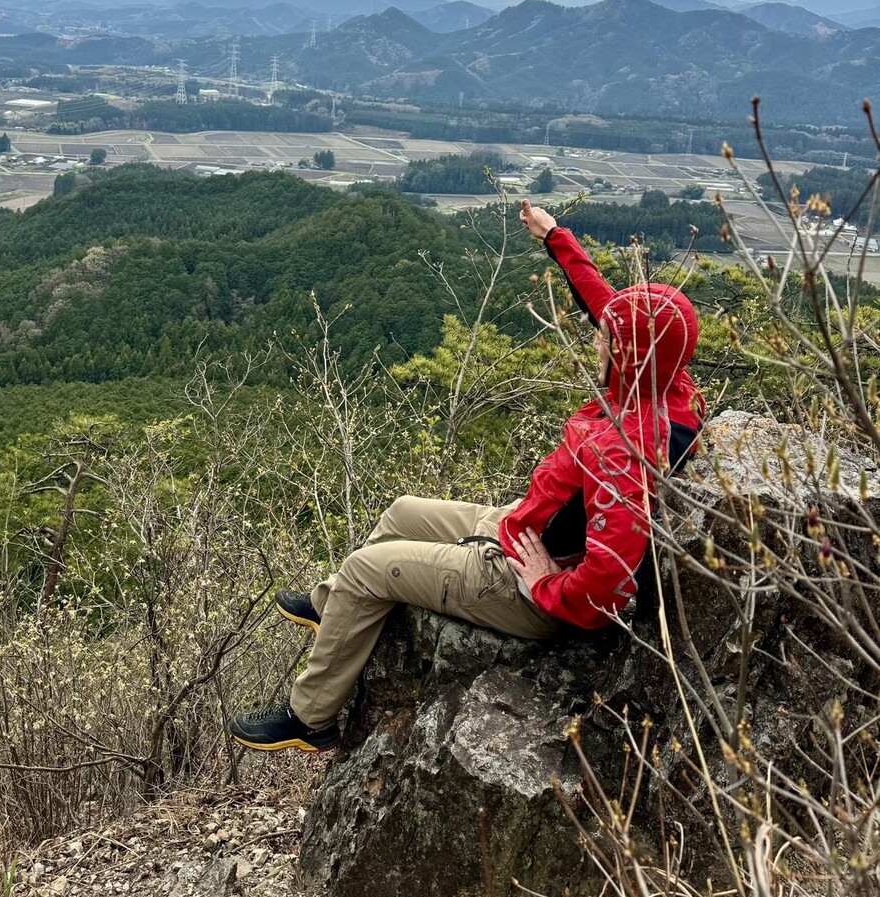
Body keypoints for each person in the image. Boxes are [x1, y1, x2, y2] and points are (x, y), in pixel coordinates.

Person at [231, 199, 704, 753]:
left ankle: (310, 718)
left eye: (604, 340)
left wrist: (544, 584)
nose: (595, 339)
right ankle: (333, 606)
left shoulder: (627, 450)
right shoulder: (663, 379)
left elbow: (609, 580)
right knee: (402, 511)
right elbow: (610, 308)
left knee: (366, 568)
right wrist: (557, 238)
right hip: (529, 525)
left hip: (523, 585)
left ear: (626, 356)